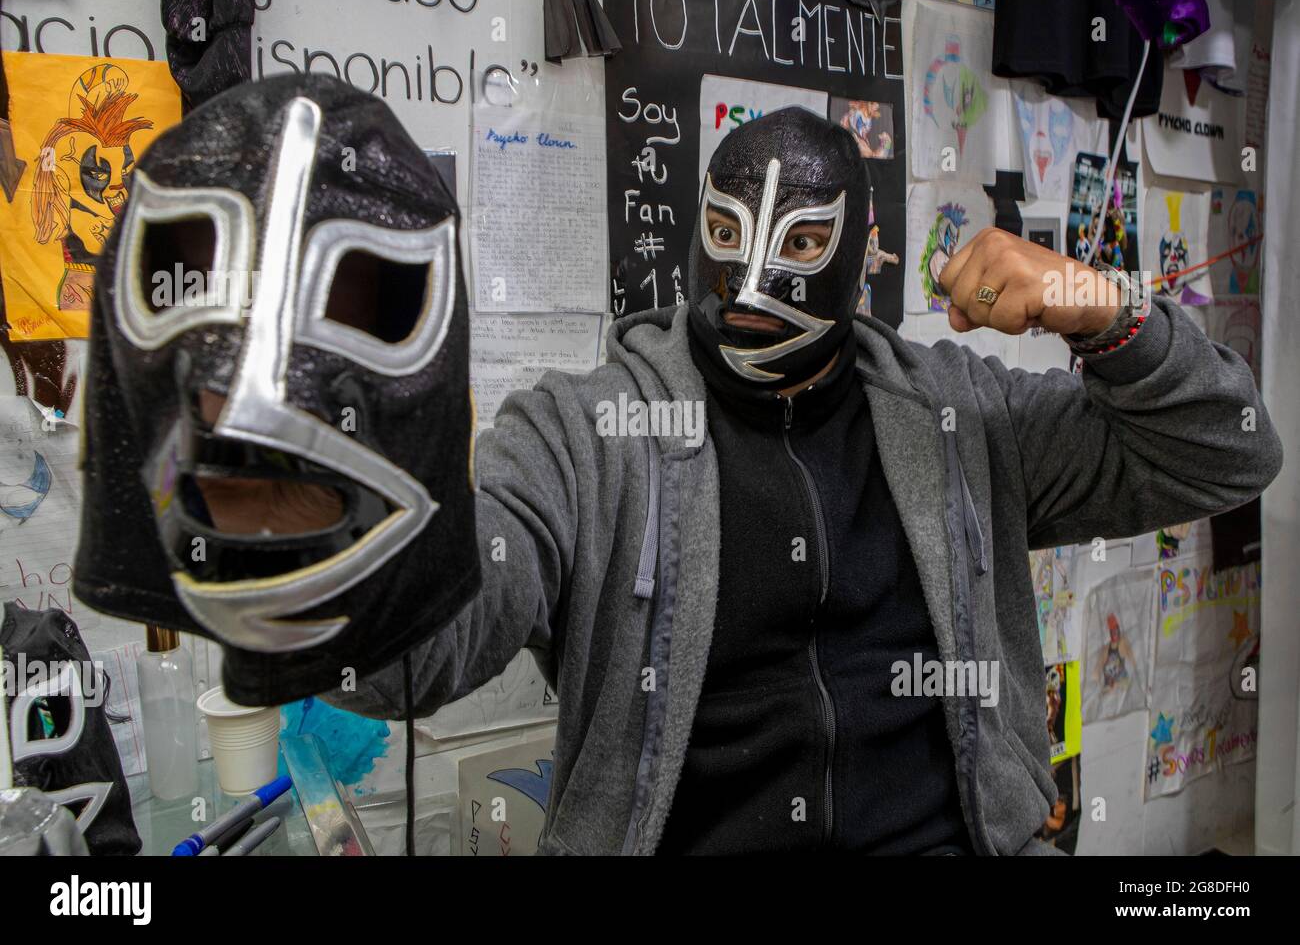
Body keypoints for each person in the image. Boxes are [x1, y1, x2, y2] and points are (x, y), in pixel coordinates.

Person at [322, 107, 1280, 854]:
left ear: (862, 259)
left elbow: (1231, 449)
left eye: (802, 245)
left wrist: (1092, 303)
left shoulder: (964, 416)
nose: (748, 286)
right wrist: (320, 527)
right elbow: (431, 643)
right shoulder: (584, 433)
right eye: (727, 232)